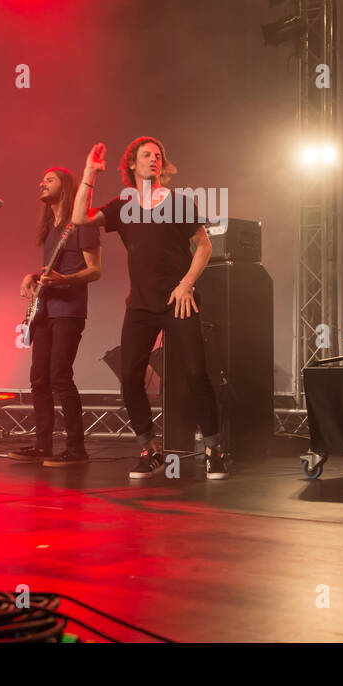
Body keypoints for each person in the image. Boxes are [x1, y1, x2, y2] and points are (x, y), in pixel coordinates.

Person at [71, 137, 227, 480]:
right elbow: (80, 217)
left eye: (158, 155)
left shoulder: (178, 202)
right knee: (129, 376)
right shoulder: (123, 204)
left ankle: (215, 448)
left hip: (178, 300)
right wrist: (89, 171)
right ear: (132, 163)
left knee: (195, 374)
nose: (154, 159)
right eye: (147, 155)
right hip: (140, 305)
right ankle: (149, 448)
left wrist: (186, 284)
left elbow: (204, 245)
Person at [10, 167, 102, 466]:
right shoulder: (52, 229)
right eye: (42, 178)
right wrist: (32, 276)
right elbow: (51, 270)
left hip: (69, 311)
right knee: (38, 378)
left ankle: (77, 449)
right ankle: (43, 445)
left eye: (49, 179)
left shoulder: (82, 223)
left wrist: (63, 281)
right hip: (46, 310)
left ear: (66, 187)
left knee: (60, 376)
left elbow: (95, 270)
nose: (41, 182)